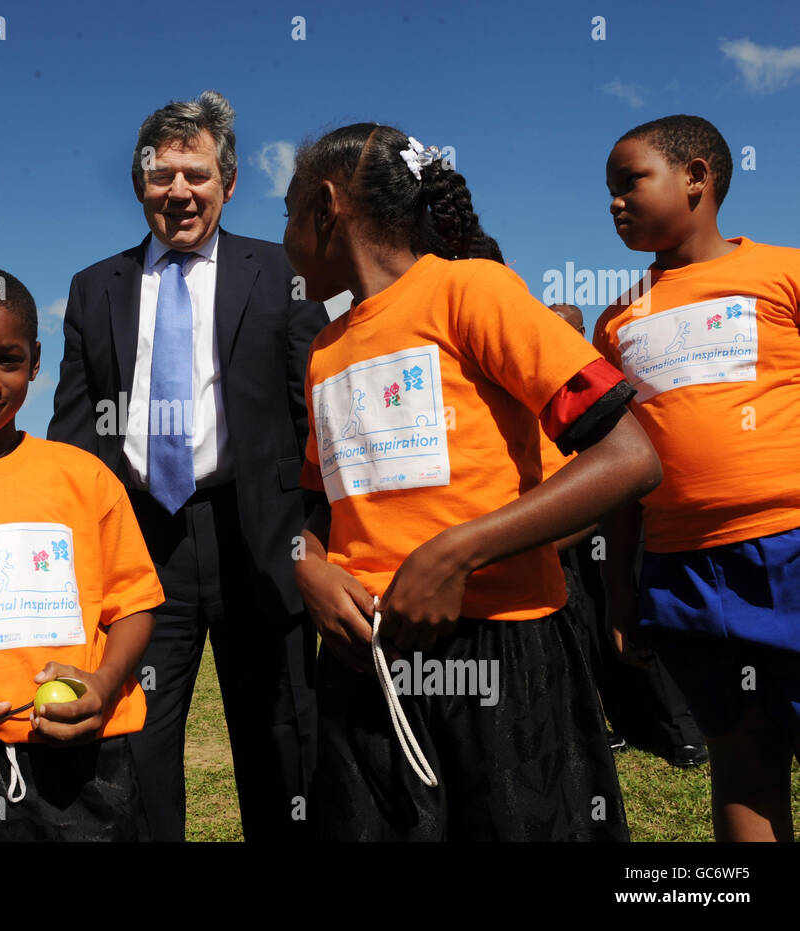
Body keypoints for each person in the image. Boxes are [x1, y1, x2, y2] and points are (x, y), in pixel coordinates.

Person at [284, 123, 663, 840]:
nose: (284, 239)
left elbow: (627, 457)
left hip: (503, 657)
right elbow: (319, 507)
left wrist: (455, 553)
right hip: (367, 666)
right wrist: (307, 567)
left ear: (326, 206)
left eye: (288, 213)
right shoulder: (325, 350)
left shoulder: (471, 292)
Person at [48, 90, 327, 841]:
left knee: (283, 735)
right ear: (140, 182)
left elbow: (318, 419)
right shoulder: (93, 287)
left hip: (261, 537)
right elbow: (75, 434)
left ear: (229, 183)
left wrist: (316, 539)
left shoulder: (282, 274)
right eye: (161, 174)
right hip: (142, 547)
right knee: (137, 744)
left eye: (196, 174)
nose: (179, 192)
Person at [0, 266, 163, 840]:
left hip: (87, 763)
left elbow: (135, 603)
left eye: (8, 360)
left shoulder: (82, 476)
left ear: (36, 362)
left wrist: (106, 681)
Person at [595, 114, 800, 842]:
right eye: (608, 192)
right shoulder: (616, 321)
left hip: (788, 548)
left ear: (697, 177)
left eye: (630, 182)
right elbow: (615, 472)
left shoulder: (784, 273)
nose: (615, 202)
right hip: (683, 574)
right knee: (741, 760)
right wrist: (620, 590)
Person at [541, 304, 707, 767]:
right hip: (564, 524)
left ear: (579, 331)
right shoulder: (535, 383)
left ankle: (682, 731)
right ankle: (627, 723)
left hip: (616, 519)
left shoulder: (603, 378)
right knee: (594, 628)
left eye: (562, 328)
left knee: (636, 621)